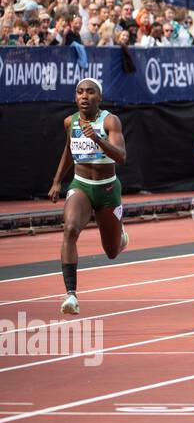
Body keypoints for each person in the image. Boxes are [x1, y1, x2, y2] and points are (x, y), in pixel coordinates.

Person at [47, 79, 129, 315]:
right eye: (80, 92)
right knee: (70, 229)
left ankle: (120, 236)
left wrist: (97, 138)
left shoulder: (110, 121)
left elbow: (122, 156)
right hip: (81, 185)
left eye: (90, 92)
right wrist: (56, 181)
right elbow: (68, 151)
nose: (84, 96)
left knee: (112, 252)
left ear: (99, 97)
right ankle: (71, 294)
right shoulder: (69, 122)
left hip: (107, 189)